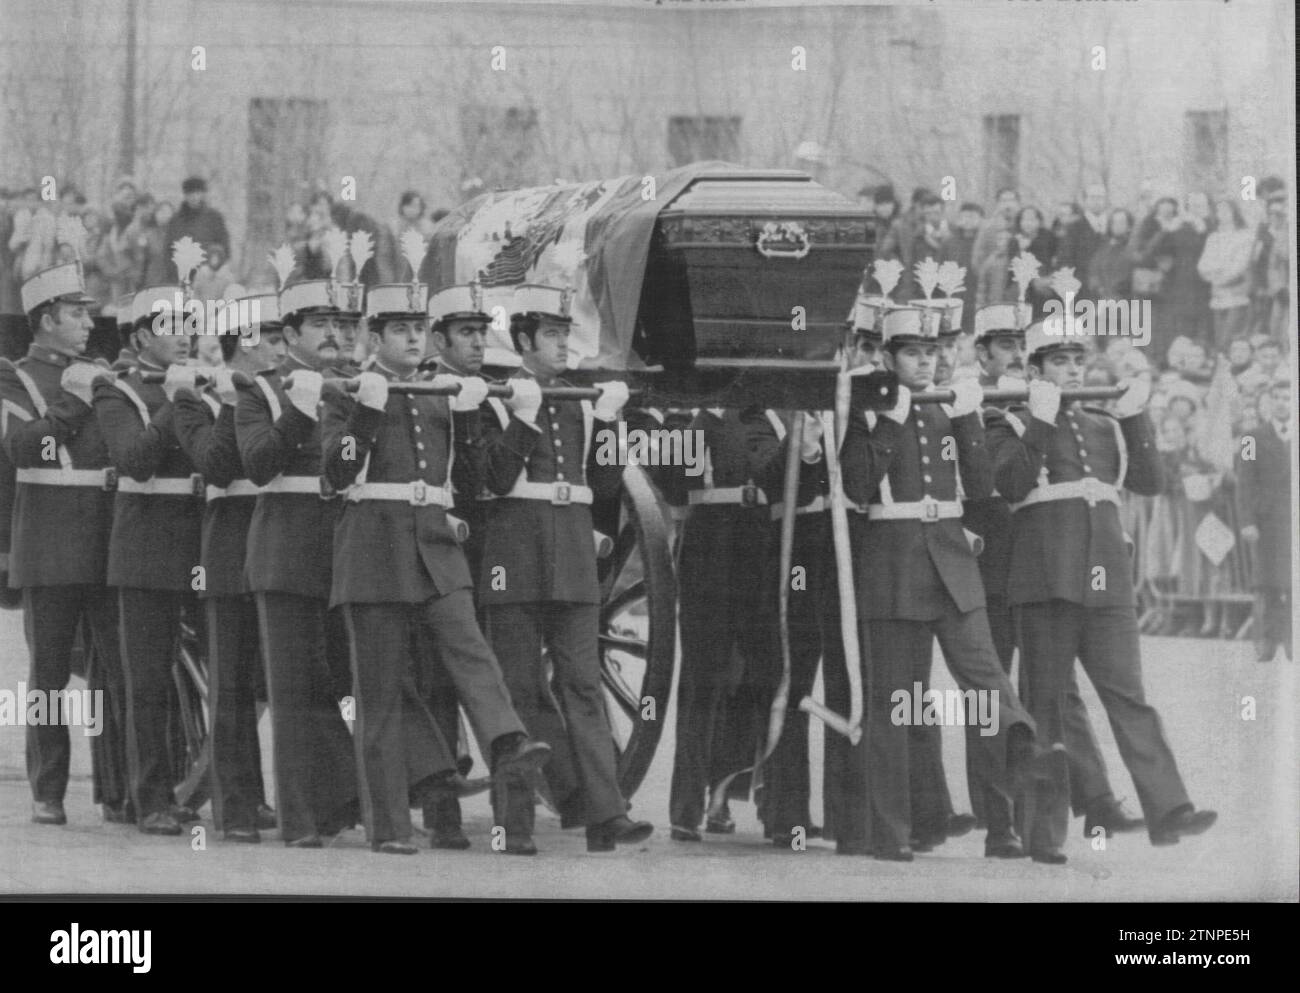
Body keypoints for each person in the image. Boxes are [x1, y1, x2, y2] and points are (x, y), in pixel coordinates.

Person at [321, 280, 551, 855]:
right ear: (375, 336)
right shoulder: (348, 391)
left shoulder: (437, 389)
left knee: (470, 648)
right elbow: (336, 473)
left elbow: (470, 486)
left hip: (434, 542)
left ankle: (507, 744)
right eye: (399, 330)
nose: (411, 339)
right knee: (380, 695)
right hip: (374, 546)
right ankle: (390, 826)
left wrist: (472, 420)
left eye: (417, 329)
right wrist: (366, 412)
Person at [984, 318, 1218, 863]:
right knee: (1046, 708)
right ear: (1035, 369)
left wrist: (1136, 418)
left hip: (1107, 579)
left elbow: (1150, 481)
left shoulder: (1103, 424)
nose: (1072, 370)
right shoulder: (1010, 421)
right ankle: (1043, 834)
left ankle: (1168, 809)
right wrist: (1039, 419)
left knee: (1129, 697)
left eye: (1077, 361)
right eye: (1059, 361)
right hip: (1045, 580)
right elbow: (1011, 485)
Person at [839, 306, 1039, 862]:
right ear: (887, 357)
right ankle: (891, 831)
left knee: (988, 680)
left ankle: (1019, 755)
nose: (925, 361)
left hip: (951, 559)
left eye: (932, 352)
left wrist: (970, 422)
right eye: (912, 352)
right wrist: (892, 421)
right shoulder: (865, 410)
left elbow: (982, 490)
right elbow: (857, 485)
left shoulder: (949, 407)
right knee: (897, 704)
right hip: (894, 562)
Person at [477, 283, 653, 854]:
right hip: (514, 553)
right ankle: (515, 825)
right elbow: (495, 480)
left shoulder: (580, 399)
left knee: (582, 686)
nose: (562, 346)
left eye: (564, 334)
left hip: (572, 555)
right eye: (551, 335)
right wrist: (522, 421)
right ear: (524, 339)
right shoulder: (494, 397)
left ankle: (607, 814)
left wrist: (606, 426)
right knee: (520, 686)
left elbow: (602, 486)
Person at [0, 262, 129, 827]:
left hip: (108, 537)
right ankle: (48, 790)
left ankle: (120, 788)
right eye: (77, 314)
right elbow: (25, 450)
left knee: (117, 669)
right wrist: (74, 403)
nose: (87, 324)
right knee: (51, 674)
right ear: (47, 319)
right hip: (50, 542)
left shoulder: (96, 373)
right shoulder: (15, 377)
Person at [234, 272, 359, 847]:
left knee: (333, 683)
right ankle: (299, 820)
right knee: (291, 691)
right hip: (284, 552)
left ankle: (338, 805)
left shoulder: (357, 389)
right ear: (289, 334)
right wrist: (298, 413)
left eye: (341, 324)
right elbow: (258, 465)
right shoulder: (259, 390)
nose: (334, 335)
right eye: (320, 325)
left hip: (345, 551)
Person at [170, 295, 285, 842]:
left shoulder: (282, 393)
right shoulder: (197, 401)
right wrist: (236, 403)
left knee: (276, 680)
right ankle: (235, 808)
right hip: (227, 548)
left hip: (280, 545)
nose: (283, 350)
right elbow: (214, 464)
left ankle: (262, 796)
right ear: (248, 344)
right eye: (274, 340)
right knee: (233, 685)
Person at [92, 280, 203, 836]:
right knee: (148, 682)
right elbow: (134, 460)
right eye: (171, 327)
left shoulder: (201, 381)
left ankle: (223, 789)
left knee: (226, 677)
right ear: (140, 337)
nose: (184, 336)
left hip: (201, 545)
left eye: (189, 325)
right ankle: (150, 798)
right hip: (146, 550)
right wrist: (177, 403)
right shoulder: (118, 391)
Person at [1237, 377, 1293, 662]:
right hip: (1267, 522)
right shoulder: (1252, 439)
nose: (1283, 403)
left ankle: (1293, 640)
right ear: (1270, 402)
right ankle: (1267, 640)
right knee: (1268, 582)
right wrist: (1247, 520)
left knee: (1293, 580)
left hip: (1293, 521)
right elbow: (1245, 482)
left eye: (1288, 398)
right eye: (1278, 398)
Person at [1198, 198, 1256, 356]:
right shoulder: (1214, 237)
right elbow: (1203, 264)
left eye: (1226, 210)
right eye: (1219, 211)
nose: (1222, 214)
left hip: (1236, 291)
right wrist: (1214, 276)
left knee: (1230, 336)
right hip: (1217, 292)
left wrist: (1221, 275)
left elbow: (1240, 265)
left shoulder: (1244, 236)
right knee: (1219, 335)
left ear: (1235, 212)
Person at [164, 177, 230, 262]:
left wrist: (215, 268)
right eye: (190, 193)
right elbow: (168, 250)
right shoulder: (175, 220)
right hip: (182, 270)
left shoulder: (214, 218)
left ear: (203, 194)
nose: (194, 197)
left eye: (197, 193)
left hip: (207, 270)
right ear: (185, 195)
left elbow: (224, 247)